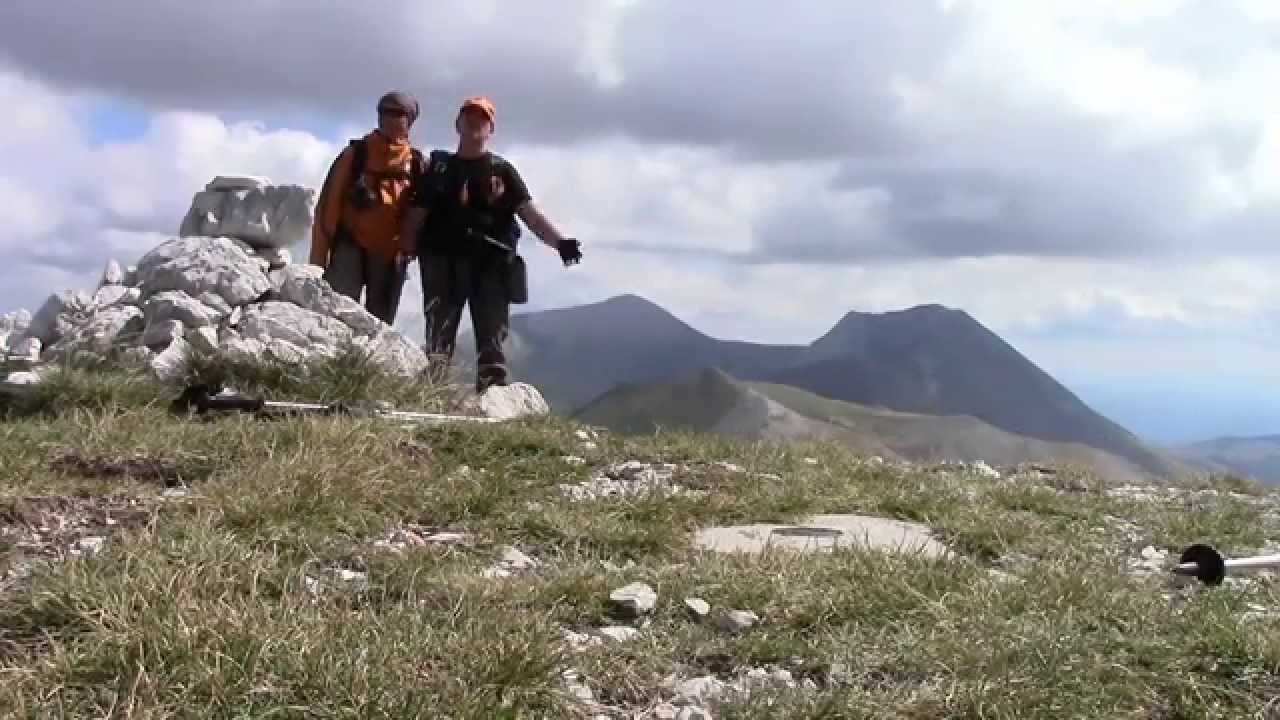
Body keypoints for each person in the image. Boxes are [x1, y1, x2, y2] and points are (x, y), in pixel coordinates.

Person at [400, 95, 583, 393]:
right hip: (442, 263)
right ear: (457, 124)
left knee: (491, 341)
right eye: (469, 117)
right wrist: (404, 250)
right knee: (438, 337)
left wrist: (560, 242)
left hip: (490, 267)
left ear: (490, 128)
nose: (474, 123)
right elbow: (416, 214)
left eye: (481, 119)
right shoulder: (439, 168)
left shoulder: (502, 171)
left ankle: (492, 402)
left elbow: (529, 214)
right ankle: (430, 398)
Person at [309, 91, 424, 325]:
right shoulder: (355, 155)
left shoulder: (417, 163)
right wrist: (317, 264)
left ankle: (370, 362)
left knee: (378, 326)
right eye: (384, 112)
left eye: (398, 113)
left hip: (391, 253)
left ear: (409, 120)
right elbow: (327, 209)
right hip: (349, 245)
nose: (389, 118)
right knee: (335, 314)